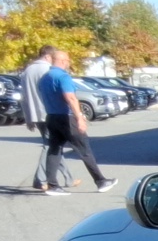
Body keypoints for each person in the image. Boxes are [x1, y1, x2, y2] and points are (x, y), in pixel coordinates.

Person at [40, 50, 116, 196]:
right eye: (68, 61)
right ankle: (100, 181)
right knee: (84, 150)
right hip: (67, 118)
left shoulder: (44, 78)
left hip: (51, 117)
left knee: (54, 150)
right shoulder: (63, 76)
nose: (69, 63)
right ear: (62, 61)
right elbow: (71, 98)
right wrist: (79, 117)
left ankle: (52, 185)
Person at [21, 45, 72, 191]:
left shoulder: (27, 71)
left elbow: (23, 97)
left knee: (55, 144)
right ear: (48, 57)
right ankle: (40, 179)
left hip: (35, 113)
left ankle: (68, 178)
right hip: (49, 112)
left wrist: (28, 117)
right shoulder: (47, 71)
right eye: (54, 58)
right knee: (51, 146)